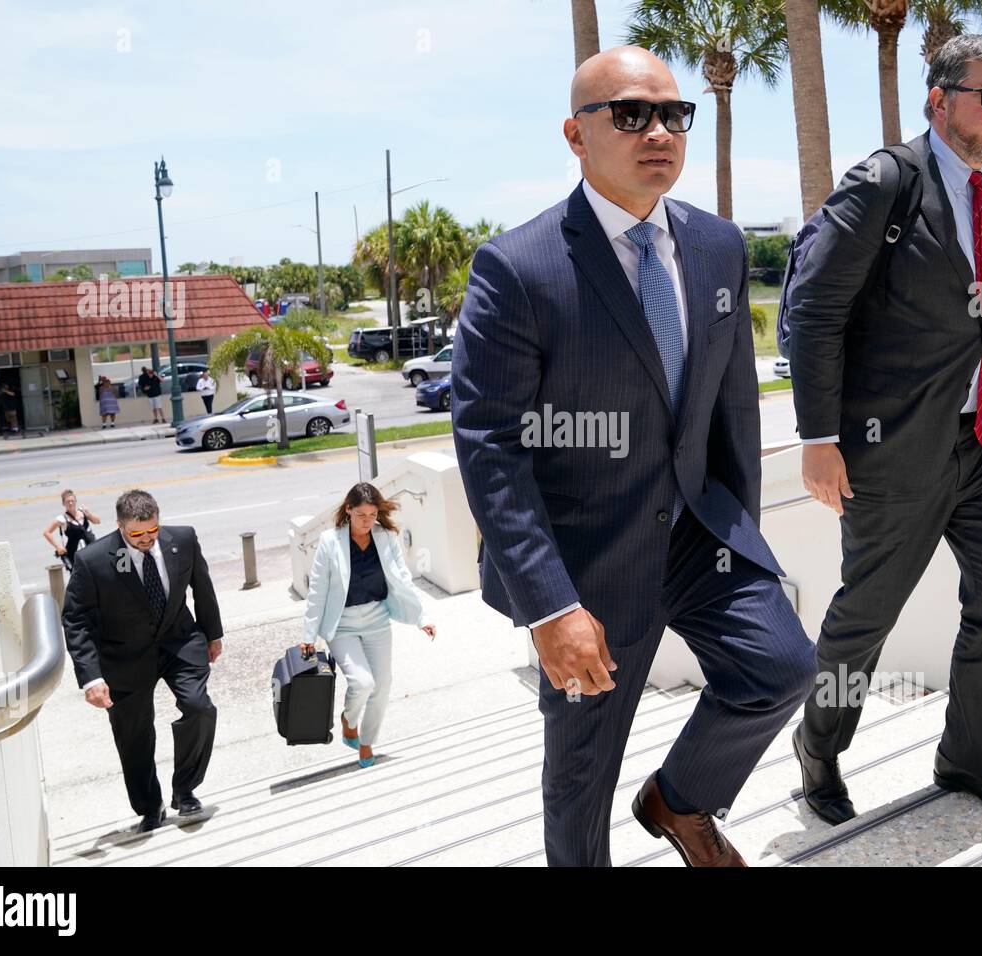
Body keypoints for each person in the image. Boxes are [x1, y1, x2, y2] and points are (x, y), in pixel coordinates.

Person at [451, 45, 816, 867]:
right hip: (586, 565)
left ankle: (678, 800)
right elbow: (489, 444)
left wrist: (741, 536)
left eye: (673, 114)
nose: (659, 130)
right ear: (576, 135)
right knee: (580, 777)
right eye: (630, 114)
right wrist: (550, 606)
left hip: (697, 536)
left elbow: (730, 407)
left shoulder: (719, 246)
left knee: (783, 668)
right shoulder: (518, 266)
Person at [782, 35, 982, 824]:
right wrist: (818, 437)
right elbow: (815, 311)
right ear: (938, 98)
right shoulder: (884, 183)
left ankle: (970, 761)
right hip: (892, 449)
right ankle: (819, 749)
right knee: (866, 618)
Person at [61, 489, 223, 833]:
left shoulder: (183, 539)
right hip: (123, 655)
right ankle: (150, 806)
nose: (147, 539)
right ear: (120, 527)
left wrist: (213, 634)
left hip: (179, 641)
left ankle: (186, 789)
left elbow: (202, 587)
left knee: (200, 707)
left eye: (152, 530)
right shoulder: (93, 561)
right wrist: (90, 677)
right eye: (137, 534)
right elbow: (76, 620)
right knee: (133, 735)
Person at [301, 482, 435, 768]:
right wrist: (309, 634)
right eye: (361, 515)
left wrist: (422, 618)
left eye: (373, 515)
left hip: (376, 619)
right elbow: (317, 592)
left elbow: (402, 579)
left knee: (382, 684)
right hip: (343, 624)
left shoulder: (385, 537)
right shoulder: (329, 541)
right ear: (348, 510)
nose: (367, 522)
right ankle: (348, 720)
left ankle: (366, 741)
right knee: (363, 683)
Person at [43, 489, 101, 571]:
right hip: (75, 554)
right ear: (63, 504)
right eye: (67, 502)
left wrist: (89, 514)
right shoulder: (62, 519)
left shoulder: (83, 512)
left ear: (75, 501)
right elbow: (47, 533)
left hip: (90, 550)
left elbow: (98, 521)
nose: (70, 503)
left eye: (72, 501)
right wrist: (58, 547)